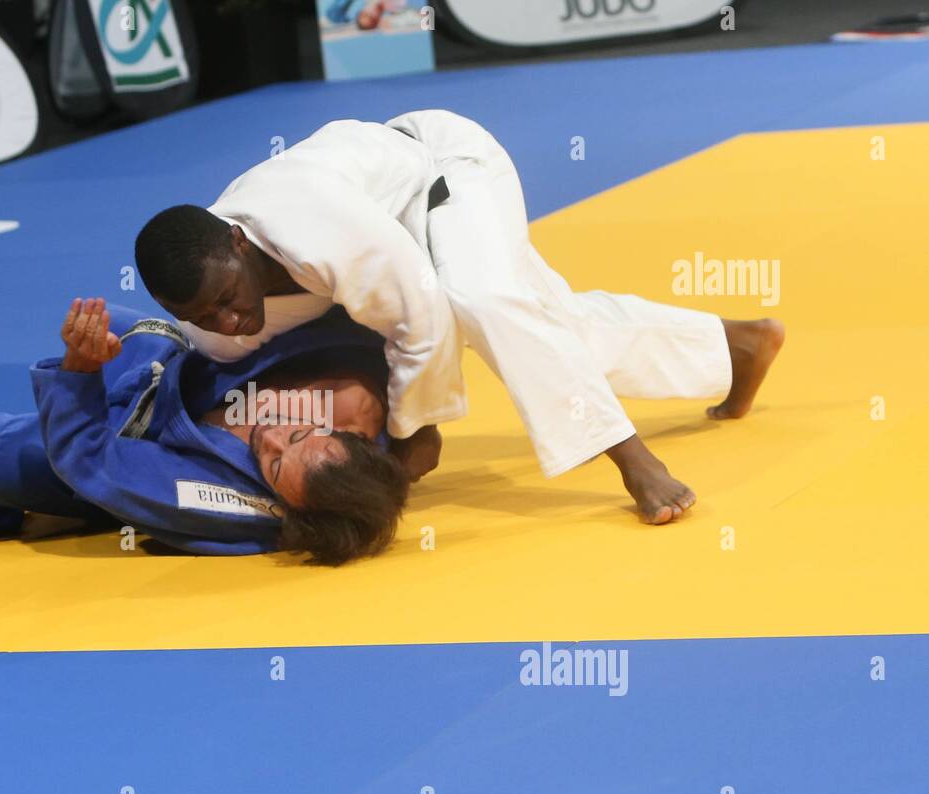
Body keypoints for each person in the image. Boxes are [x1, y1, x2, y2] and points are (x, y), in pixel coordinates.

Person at [135, 109, 785, 524]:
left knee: (484, 299)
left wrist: (417, 427)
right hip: (390, 231)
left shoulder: (311, 226)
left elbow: (425, 319)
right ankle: (731, 348)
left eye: (228, 297)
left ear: (239, 242)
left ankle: (632, 459)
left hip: (442, 170)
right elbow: (218, 372)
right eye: (203, 314)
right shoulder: (207, 317)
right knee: (548, 326)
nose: (228, 318)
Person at [0, 299, 408, 565]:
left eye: (273, 465)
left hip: (115, 446)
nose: (271, 437)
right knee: (104, 314)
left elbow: (90, 458)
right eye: (297, 437)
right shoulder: (360, 415)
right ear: (347, 436)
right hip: (161, 366)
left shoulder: (226, 502)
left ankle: (25, 519)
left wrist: (78, 371)